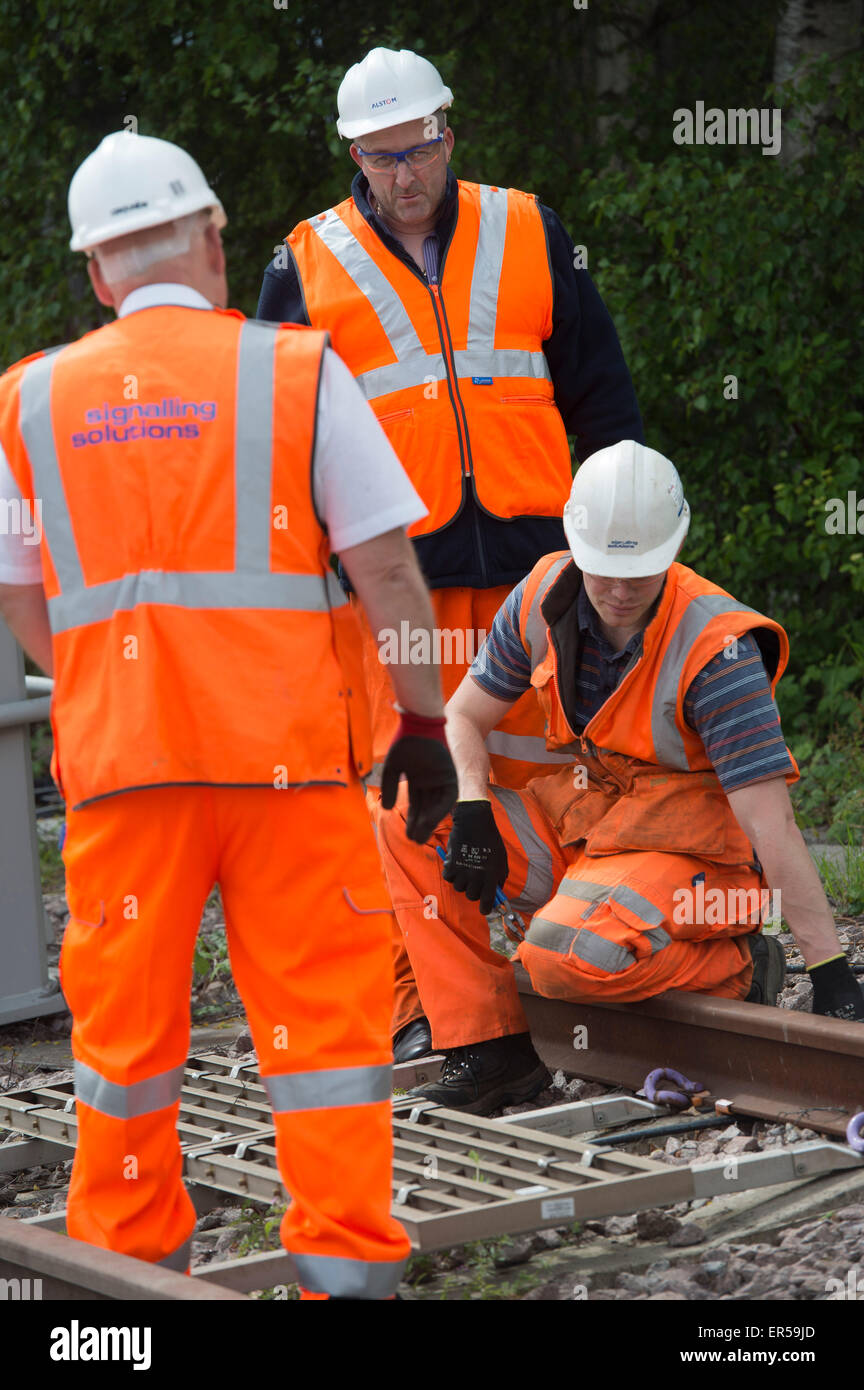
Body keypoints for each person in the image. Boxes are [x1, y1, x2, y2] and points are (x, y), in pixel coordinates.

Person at [0, 130, 457, 1299]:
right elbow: (389, 571)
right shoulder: (295, 372)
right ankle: (344, 1277)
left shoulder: (32, 398)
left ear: (96, 272)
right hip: (291, 771)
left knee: (125, 1050)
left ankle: (123, 1292)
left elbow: (19, 588)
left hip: (124, 778)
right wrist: (421, 719)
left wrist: (102, 679)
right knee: (325, 1044)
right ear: (212, 240)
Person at [258, 46, 644, 1060]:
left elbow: (600, 397)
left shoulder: (529, 231)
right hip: (398, 594)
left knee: (561, 779)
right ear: (353, 153)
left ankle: (601, 964)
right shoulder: (304, 262)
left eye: (419, 146)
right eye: (382, 155)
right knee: (414, 803)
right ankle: (463, 1027)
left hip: (539, 575)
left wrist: (621, 540)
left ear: (448, 132)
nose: (405, 172)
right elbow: (274, 446)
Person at [375, 441, 864, 1115]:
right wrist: (470, 807)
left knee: (557, 959)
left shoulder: (715, 649)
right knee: (405, 809)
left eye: (639, 573)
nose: (618, 590)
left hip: (692, 857)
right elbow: (460, 716)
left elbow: (769, 822)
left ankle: (740, 965)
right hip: (589, 832)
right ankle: (491, 1048)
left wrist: (829, 970)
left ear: (674, 550)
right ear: (575, 543)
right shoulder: (540, 597)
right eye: (603, 569)